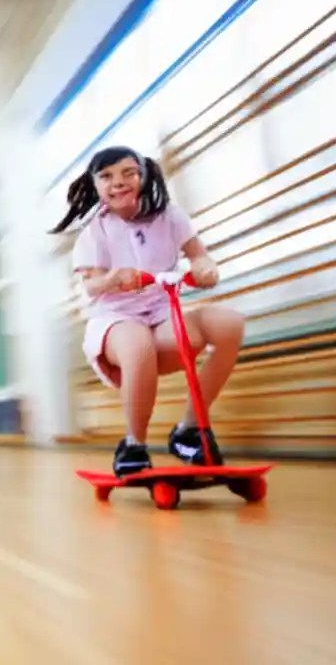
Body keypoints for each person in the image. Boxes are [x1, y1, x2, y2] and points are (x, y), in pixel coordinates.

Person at [51, 145, 246, 476]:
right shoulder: (94, 230)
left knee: (229, 324)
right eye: (107, 177)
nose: (119, 182)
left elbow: (199, 254)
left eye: (129, 173)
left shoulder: (168, 215)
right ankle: (133, 443)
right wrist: (113, 278)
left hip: (161, 315)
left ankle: (189, 430)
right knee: (137, 343)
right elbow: (90, 286)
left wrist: (205, 268)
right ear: (95, 185)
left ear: (142, 175)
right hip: (113, 321)